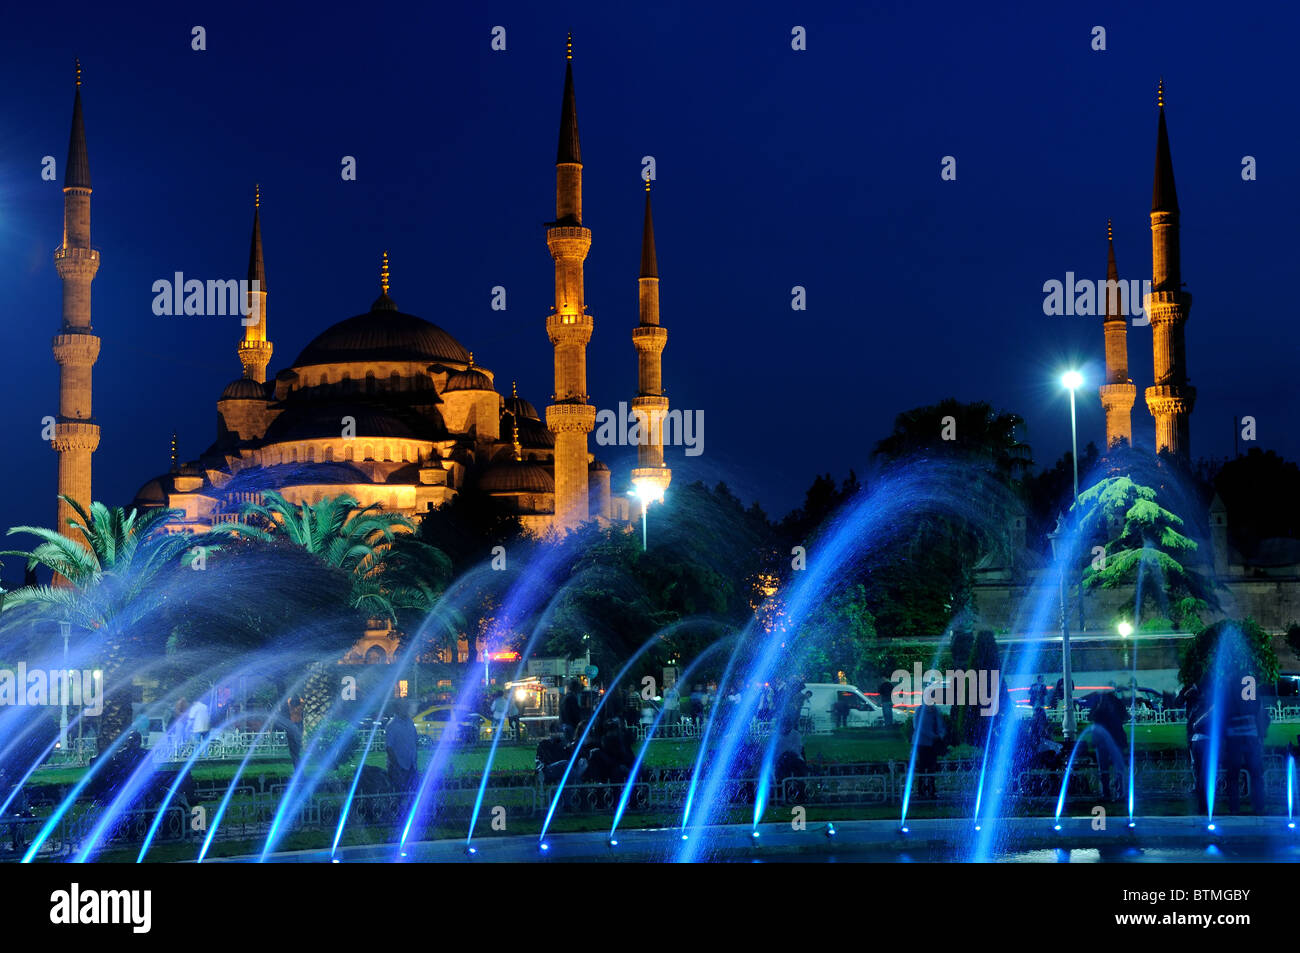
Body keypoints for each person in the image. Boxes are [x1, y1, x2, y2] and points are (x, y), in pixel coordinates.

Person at [1224, 676, 1268, 815]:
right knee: (1256, 774)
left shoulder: (1228, 686)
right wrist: (1261, 736)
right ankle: (1259, 807)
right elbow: (1260, 712)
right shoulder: (1251, 684)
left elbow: (1223, 715)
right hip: (1251, 736)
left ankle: (1234, 808)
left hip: (1234, 737)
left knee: (1232, 775)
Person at [1089, 690, 1127, 802]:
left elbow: (1092, 717)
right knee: (1112, 768)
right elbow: (1125, 717)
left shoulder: (1103, 703)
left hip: (1109, 741)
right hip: (1112, 741)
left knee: (1106, 768)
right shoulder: (1111, 703)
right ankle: (1115, 792)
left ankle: (1108, 792)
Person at [1185, 685, 1212, 814]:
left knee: (1200, 775)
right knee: (1205, 775)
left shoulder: (1195, 707)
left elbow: (1190, 726)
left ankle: (1202, 807)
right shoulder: (1210, 707)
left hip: (1196, 741)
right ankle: (1204, 807)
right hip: (1206, 741)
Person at [913, 700, 945, 799]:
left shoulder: (936, 710)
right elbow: (918, 727)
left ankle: (931, 789)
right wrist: (932, 736)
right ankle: (921, 790)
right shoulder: (919, 710)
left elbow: (941, 724)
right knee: (922, 766)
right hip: (922, 743)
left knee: (932, 767)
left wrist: (941, 735)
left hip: (933, 744)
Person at [385, 700, 418, 794]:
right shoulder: (392, 725)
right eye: (403, 707)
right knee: (399, 794)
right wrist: (396, 766)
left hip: (412, 766)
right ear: (397, 709)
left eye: (406, 707)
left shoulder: (410, 722)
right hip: (398, 768)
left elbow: (415, 740)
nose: (406, 709)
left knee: (413, 794)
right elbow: (389, 748)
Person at [285, 695, 304, 765]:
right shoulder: (299, 707)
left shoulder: (291, 708)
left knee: (297, 738)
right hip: (296, 723)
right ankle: (297, 747)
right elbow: (302, 702)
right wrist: (299, 697)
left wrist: (291, 697)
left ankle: (297, 747)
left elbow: (288, 701)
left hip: (297, 723)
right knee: (296, 738)